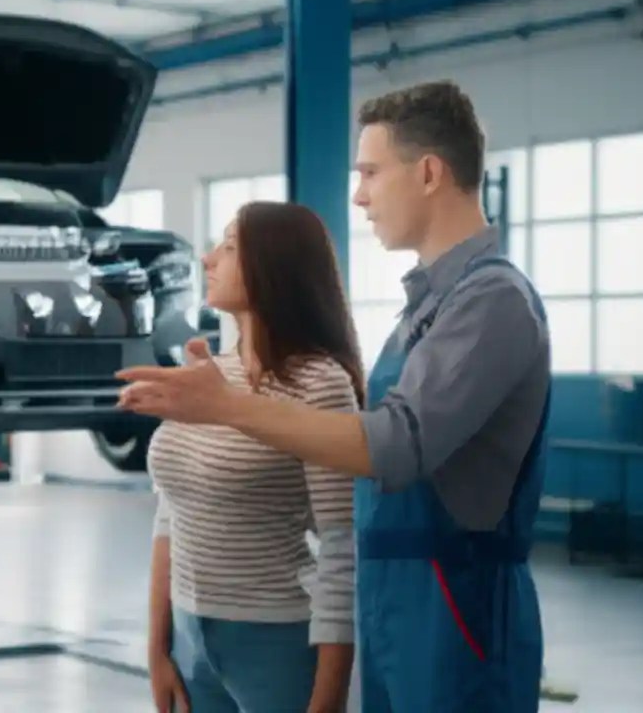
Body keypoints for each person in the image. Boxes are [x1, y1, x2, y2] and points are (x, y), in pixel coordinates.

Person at [118, 79, 552, 713]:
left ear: (429, 172)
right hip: (400, 599)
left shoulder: (493, 302)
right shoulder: (430, 308)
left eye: (372, 172)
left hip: (458, 604)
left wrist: (228, 407)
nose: (359, 195)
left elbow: (398, 446)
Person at [147, 201, 360, 713]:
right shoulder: (206, 375)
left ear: (273, 266)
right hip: (188, 637)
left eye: (230, 245)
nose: (208, 257)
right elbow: (170, 514)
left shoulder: (321, 384)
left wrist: (327, 701)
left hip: (276, 642)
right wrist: (156, 648)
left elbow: (341, 548)